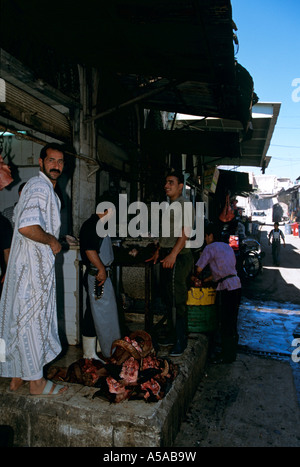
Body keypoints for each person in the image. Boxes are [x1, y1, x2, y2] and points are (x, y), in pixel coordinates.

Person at [0, 143, 67, 396]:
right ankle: (36, 383)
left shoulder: (39, 188)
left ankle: (18, 375)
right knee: (34, 321)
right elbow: (26, 226)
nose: (56, 166)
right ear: (41, 162)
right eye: (51, 160)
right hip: (33, 270)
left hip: (26, 267)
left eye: (60, 162)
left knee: (21, 320)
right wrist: (52, 240)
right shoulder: (39, 187)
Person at [147, 171, 194, 357]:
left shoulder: (185, 204)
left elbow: (186, 232)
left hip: (180, 256)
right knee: (168, 298)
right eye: (166, 182)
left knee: (178, 300)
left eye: (171, 182)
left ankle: (181, 340)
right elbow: (167, 233)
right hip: (168, 254)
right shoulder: (170, 206)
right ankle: (172, 334)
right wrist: (160, 250)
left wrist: (173, 254)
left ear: (180, 186)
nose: (166, 185)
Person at [79, 203, 121, 361]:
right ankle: (89, 354)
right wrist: (101, 269)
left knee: (98, 313)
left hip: (100, 275)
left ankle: (100, 350)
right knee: (94, 313)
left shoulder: (99, 225)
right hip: (97, 276)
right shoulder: (93, 225)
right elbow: (90, 251)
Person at [195, 223, 241, 364]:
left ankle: (225, 356)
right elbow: (221, 273)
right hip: (236, 286)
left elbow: (199, 268)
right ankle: (231, 354)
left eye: (205, 236)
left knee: (225, 322)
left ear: (210, 236)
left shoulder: (210, 248)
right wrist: (206, 280)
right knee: (232, 322)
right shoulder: (227, 247)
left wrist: (194, 277)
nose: (205, 239)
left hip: (227, 289)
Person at [0, 212, 13, 296]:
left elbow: (7, 251)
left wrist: (8, 273)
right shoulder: (3, 221)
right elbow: (7, 250)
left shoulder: (2, 222)